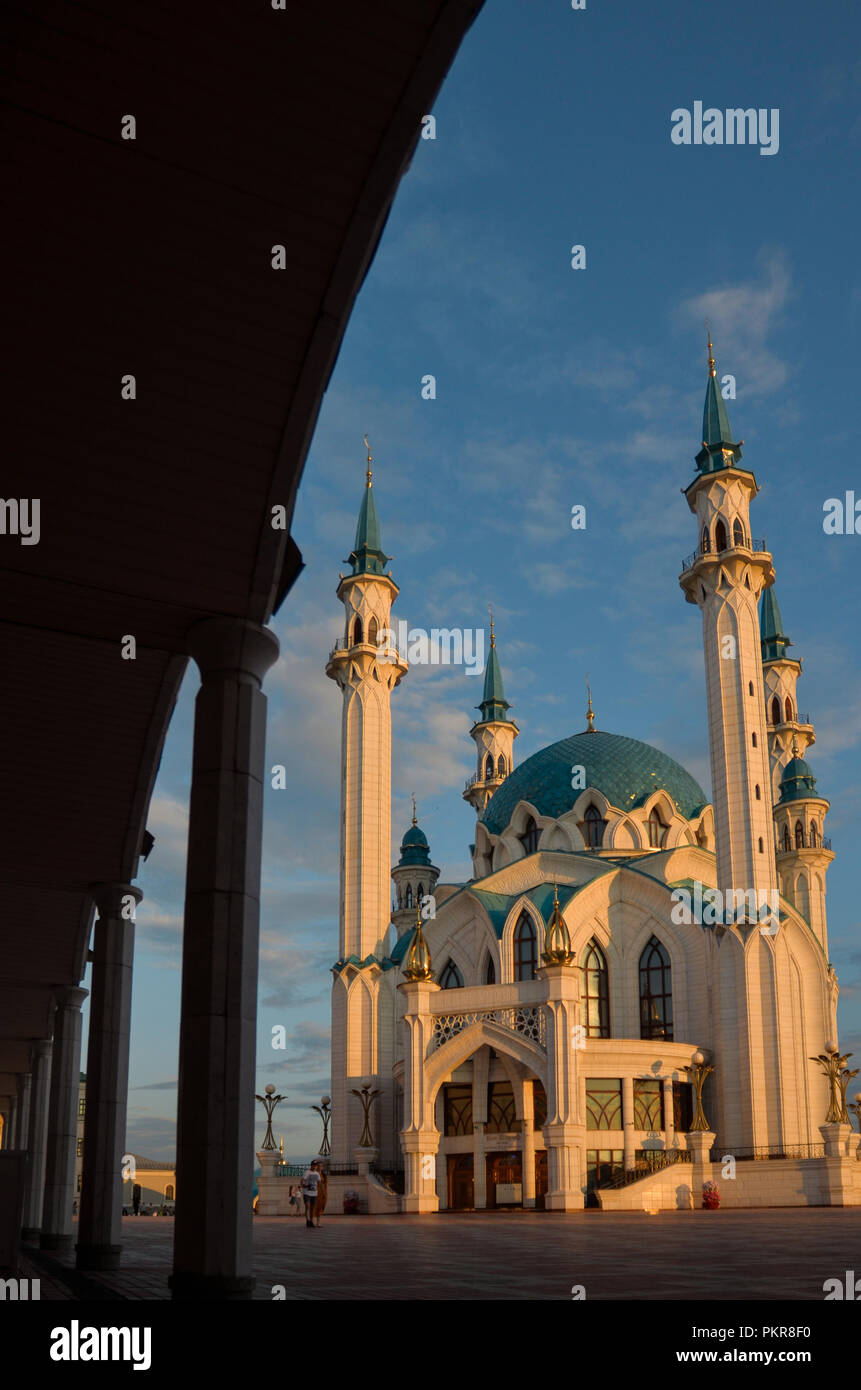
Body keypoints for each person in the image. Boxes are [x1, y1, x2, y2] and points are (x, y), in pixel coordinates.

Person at [300, 1161, 321, 1228]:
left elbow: (319, 1182)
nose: (315, 1166)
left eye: (316, 1165)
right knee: (307, 1206)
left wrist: (321, 1191)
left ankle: (311, 1221)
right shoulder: (307, 1172)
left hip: (314, 1193)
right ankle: (308, 1220)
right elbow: (302, 1180)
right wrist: (303, 1186)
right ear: (311, 1165)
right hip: (307, 1192)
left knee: (312, 1208)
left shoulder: (317, 1174)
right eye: (313, 1165)